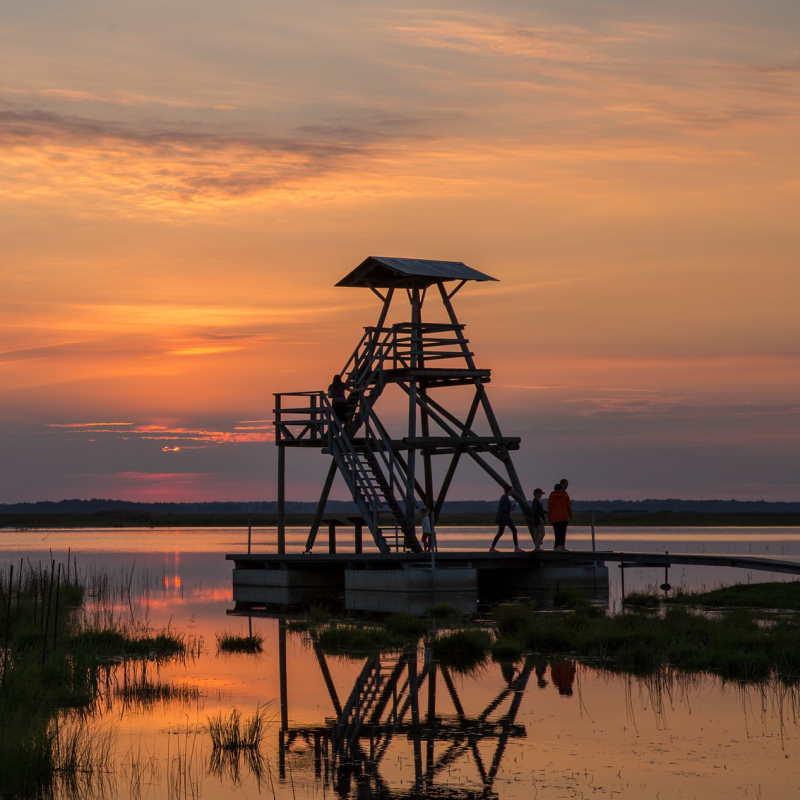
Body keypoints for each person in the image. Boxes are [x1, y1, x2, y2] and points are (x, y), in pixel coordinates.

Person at [490, 486, 522, 552]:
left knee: (501, 533)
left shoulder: (505, 497)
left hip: (504, 518)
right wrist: (512, 507)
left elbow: (507, 509)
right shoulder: (504, 497)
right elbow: (505, 509)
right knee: (513, 530)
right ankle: (516, 548)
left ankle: (492, 548)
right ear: (509, 491)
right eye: (511, 491)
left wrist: (514, 505)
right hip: (504, 518)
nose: (512, 492)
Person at [548, 479, 572, 551]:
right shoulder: (565, 495)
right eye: (566, 484)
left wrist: (549, 517)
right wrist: (570, 515)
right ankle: (561, 546)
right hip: (564, 517)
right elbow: (568, 506)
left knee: (557, 532)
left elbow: (550, 507)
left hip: (554, 517)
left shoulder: (552, 495)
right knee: (562, 533)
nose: (567, 486)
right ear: (562, 485)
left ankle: (557, 547)